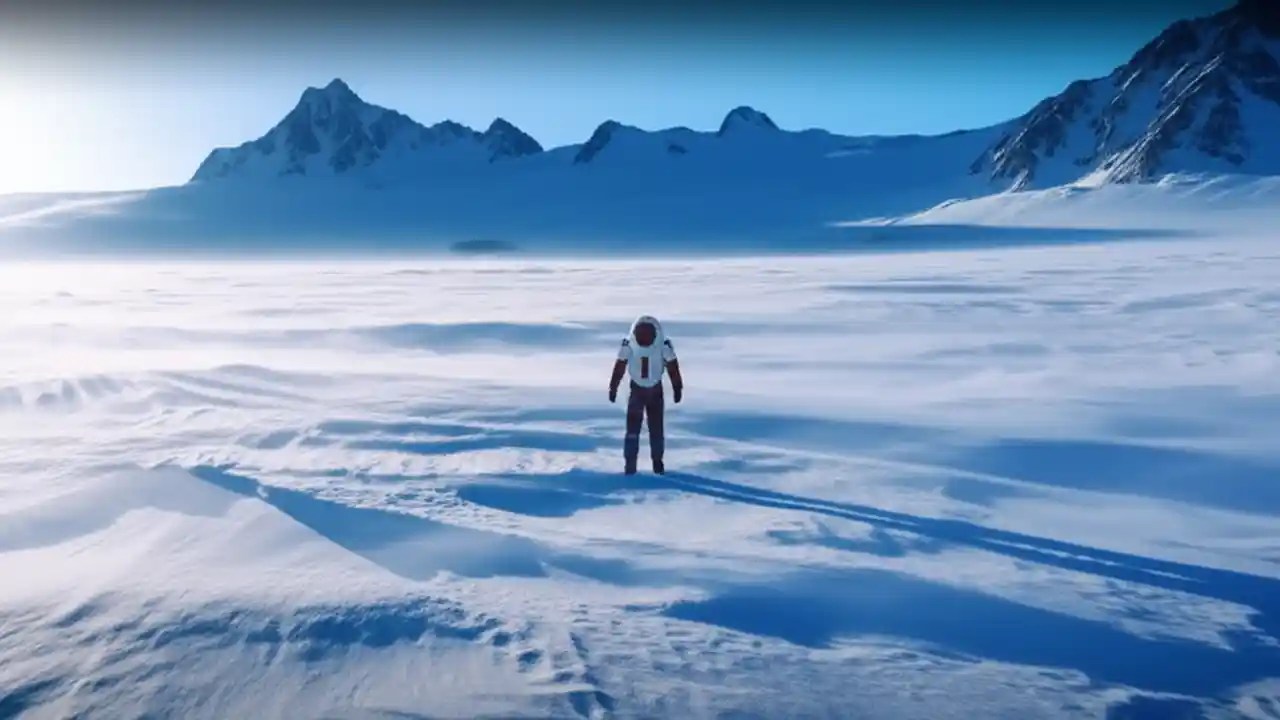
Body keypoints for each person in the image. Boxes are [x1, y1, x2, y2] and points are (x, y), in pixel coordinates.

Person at [609, 315, 683, 475]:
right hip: (646, 391)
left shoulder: (655, 347)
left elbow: (620, 367)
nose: (644, 338)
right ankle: (646, 464)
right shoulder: (655, 347)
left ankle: (644, 464)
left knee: (640, 430)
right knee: (649, 430)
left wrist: (613, 387)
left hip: (644, 391)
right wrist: (677, 387)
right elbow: (672, 368)